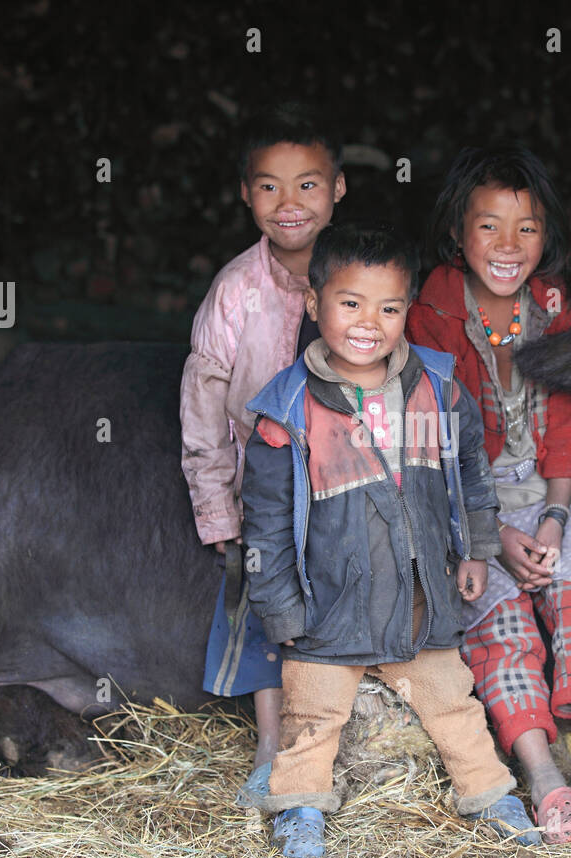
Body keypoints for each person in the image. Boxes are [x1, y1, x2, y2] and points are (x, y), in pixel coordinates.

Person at [242, 222, 539, 858]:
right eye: (350, 303)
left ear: (408, 311)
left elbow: (471, 472)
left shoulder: (436, 385)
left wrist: (477, 551)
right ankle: (299, 808)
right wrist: (282, 609)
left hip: (421, 594)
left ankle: (493, 795)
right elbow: (263, 523)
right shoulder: (287, 410)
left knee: (454, 703)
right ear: (313, 303)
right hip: (328, 605)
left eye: (389, 307)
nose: (368, 322)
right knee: (312, 718)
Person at [405, 143, 571, 843]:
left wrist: (553, 520)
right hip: (466, 506)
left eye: (527, 227)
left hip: (549, 495)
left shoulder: (558, 304)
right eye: (488, 225)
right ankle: (545, 778)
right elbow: (436, 443)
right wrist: (493, 534)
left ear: (547, 234)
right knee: (504, 630)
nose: (508, 245)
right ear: (458, 233)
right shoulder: (432, 309)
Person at [179, 102, 345, 807]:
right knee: (261, 608)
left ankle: (342, 739)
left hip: (347, 482)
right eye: (269, 186)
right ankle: (271, 746)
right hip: (264, 492)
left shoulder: (355, 278)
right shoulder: (234, 293)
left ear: (338, 189)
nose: (289, 203)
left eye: (308, 184)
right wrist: (220, 515)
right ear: (246, 194)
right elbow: (203, 411)